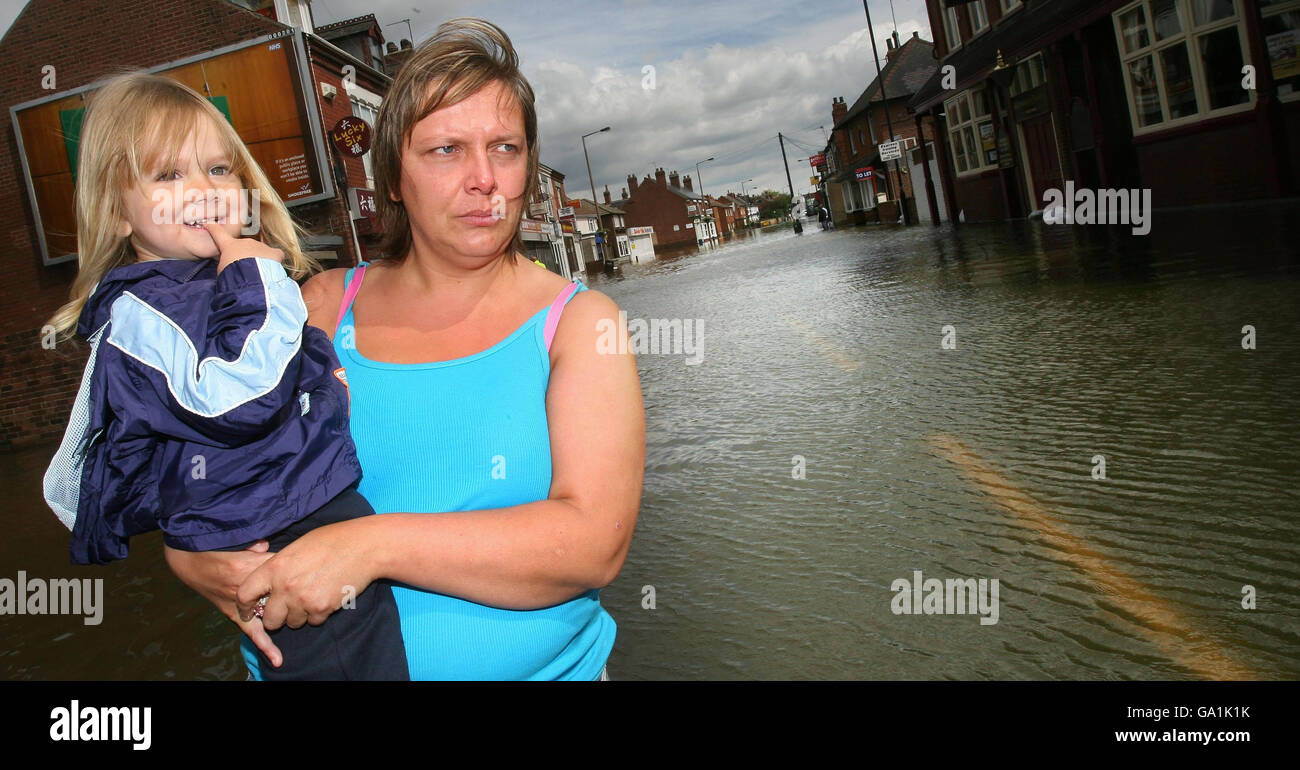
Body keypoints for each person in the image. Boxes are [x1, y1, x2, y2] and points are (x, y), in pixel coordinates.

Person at [165, 18, 645, 681]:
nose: (484, 179)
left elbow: (593, 544)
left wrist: (371, 545)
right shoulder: (319, 309)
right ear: (392, 175)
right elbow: (193, 463)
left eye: (505, 148)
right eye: (446, 150)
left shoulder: (582, 323)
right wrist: (189, 558)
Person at [40, 72, 407, 680]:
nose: (202, 190)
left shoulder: (199, 289)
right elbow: (241, 400)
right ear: (117, 214)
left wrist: (326, 385)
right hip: (284, 532)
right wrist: (258, 279)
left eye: (217, 170)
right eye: (167, 175)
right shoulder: (145, 313)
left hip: (296, 512)